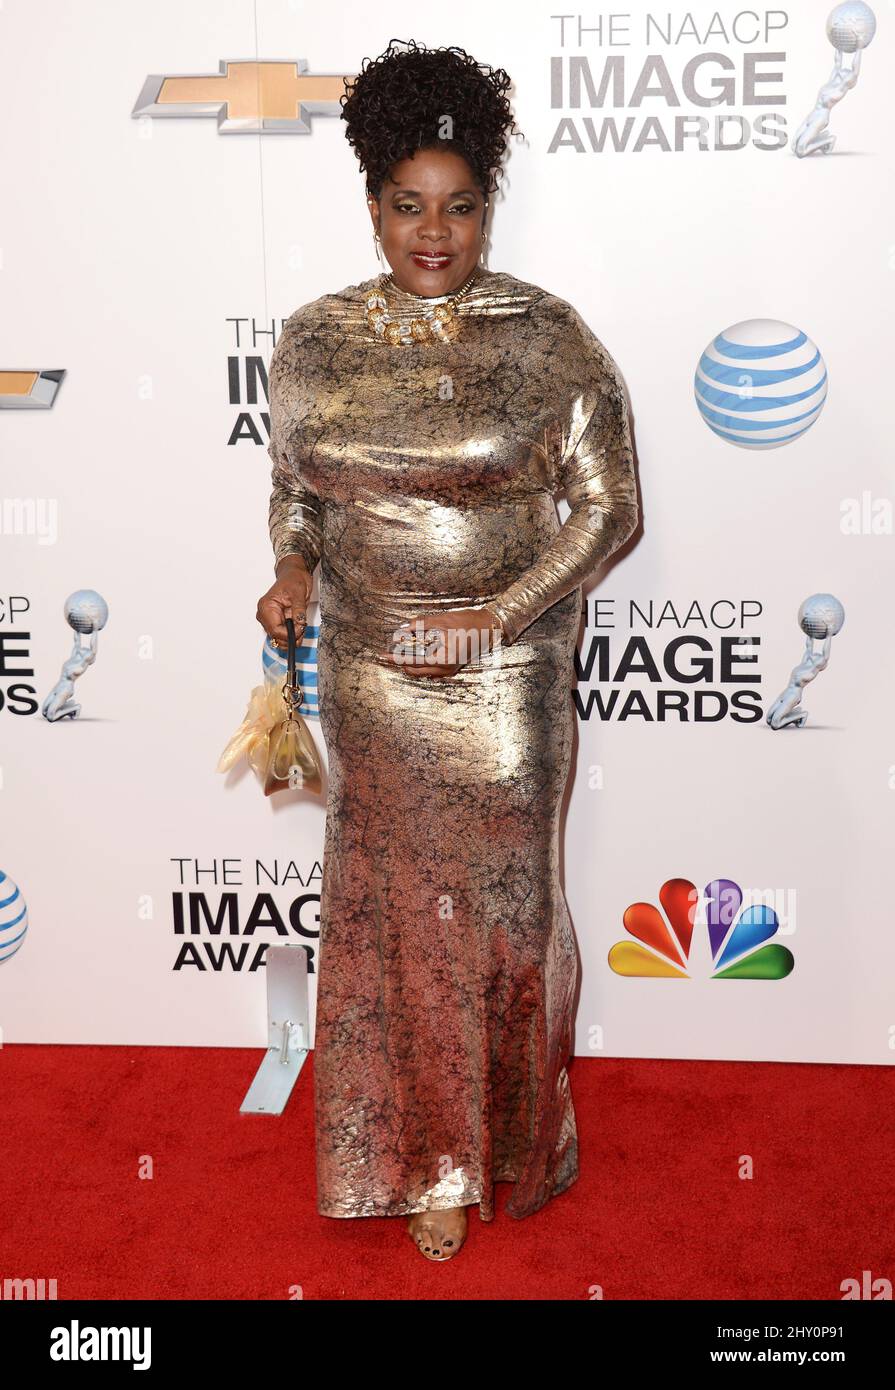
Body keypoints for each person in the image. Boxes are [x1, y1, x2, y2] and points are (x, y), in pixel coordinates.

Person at [255, 38, 639, 1262]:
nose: (436, 232)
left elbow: (609, 509)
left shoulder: (549, 334)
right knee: (388, 920)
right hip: (370, 678)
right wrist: (292, 568)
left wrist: (501, 614)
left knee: (504, 915)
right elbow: (296, 490)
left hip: (504, 682)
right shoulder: (314, 339)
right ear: (372, 206)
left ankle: (513, 1148)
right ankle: (424, 1161)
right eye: (409, 207)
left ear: (488, 208)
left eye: (460, 206)